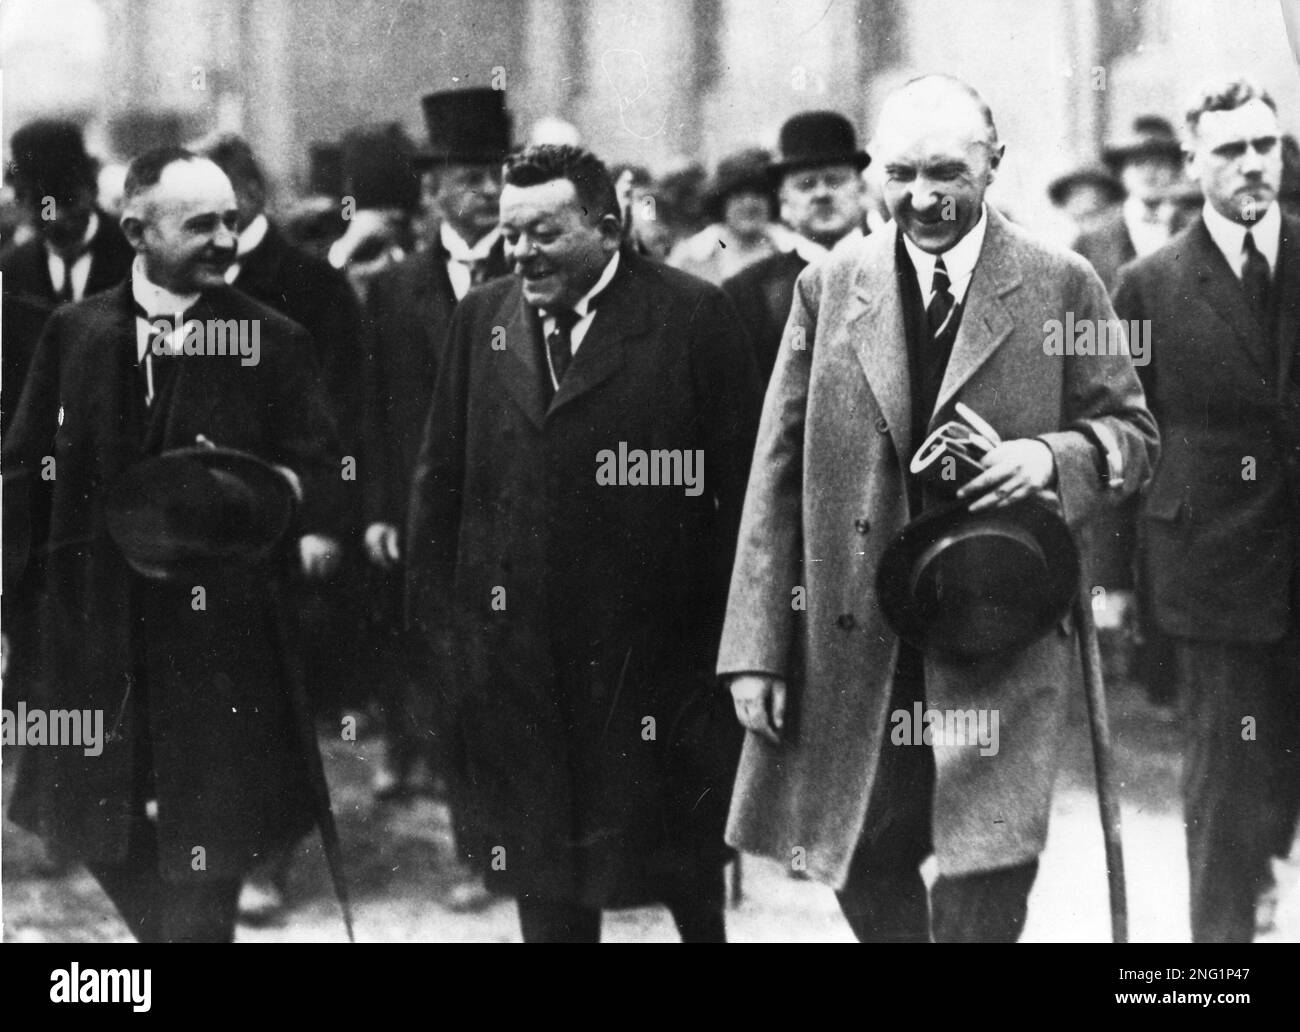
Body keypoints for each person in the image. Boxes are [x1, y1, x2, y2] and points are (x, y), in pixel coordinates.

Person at [717, 75, 1158, 943]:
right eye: (905, 173)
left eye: (949, 172)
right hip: (862, 643)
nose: (924, 198)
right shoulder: (834, 286)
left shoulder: (1058, 284)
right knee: (861, 855)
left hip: (1002, 632)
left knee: (986, 881)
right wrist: (755, 650)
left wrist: (1049, 457)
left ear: (994, 164)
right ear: (879, 171)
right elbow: (776, 468)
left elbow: (1134, 434)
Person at [406, 143, 760, 942]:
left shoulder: (692, 317)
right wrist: (442, 638)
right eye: (511, 234)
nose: (522, 253)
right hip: (522, 665)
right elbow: (443, 481)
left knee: (684, 877)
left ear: (607, 227)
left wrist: (739, 651)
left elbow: (742, 500)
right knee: (547, 883)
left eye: (545, 234)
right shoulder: (483, 318)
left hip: (657, 666)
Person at [2, 147, 344, 942]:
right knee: (101, 834)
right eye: (202, 225)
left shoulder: (272, 338)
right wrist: (16, 604)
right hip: (96, 641)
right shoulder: (75, 334)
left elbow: (323, 473)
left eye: (231, 220)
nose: (226, 239)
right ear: (136, 231)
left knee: (209, 863)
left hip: (221, 648)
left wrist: (255, 496)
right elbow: (22, 475)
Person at [1113, 77, 1300, 942]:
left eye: (1266, 146)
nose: (1254, 165)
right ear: (1195, 162)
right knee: (1224, 789)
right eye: (1231, 150)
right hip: (1211, 572)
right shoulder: (1147, 284)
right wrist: (1113, 581)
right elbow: (1119, 433)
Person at [197, 132, 367, 923]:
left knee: (277, 699)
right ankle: (218, 852)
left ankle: (272, 858)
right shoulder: (181, 282)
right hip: (197, 528)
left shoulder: (310, 287)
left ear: (253, 199)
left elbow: (341, 415)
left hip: (285, 529)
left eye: (220, 212)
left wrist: (325, 520)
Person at [361, 87, 512, 912]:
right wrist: (380, 507)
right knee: (451, 686)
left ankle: (542, 845)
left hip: (528, 512)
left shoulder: (537, 266)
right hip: (434, 519)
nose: (485, 191)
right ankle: (478, 852)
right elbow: (377, 406)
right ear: (432, 189)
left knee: (528, 679)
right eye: (467, 176)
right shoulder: (395, 289)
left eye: (496, 174)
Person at [722, 111, 870, 383]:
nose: (822, 194)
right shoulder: (745, 292)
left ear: (860, 187)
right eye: (806, 184)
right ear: (783, 198)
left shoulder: (901, 269)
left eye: (835, 180)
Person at [1, 120, 134, 307]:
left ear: (92, 188)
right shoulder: (11, 270)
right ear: (21, 201)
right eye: (44, 205)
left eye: (67, 199)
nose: (57, 217)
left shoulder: (135, 254)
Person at [1072, 115, 1187, 293]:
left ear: (1176, 171)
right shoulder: (1091, 239)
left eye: (1160, 163)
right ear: (1122, 173)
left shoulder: (1196, 231)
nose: (1149, 173)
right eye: (1139, 163)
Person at [667, 147, 780, 284]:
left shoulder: (792, 250)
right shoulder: (692, 255)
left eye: (758, 193)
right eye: (738, 195)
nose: (749, 204)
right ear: (721, 202)